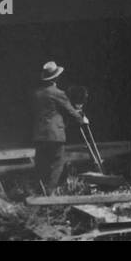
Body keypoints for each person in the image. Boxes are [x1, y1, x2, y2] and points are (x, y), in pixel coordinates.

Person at [30, 60, 87, 193]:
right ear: (56, 77)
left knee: (41, 165)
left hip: (39, 134)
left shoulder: (36, 94)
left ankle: (40, 191)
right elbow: (70, 110)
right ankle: (50, 194)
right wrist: (81, 119)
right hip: (54, 134)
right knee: (57, 163)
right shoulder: (57, 92)